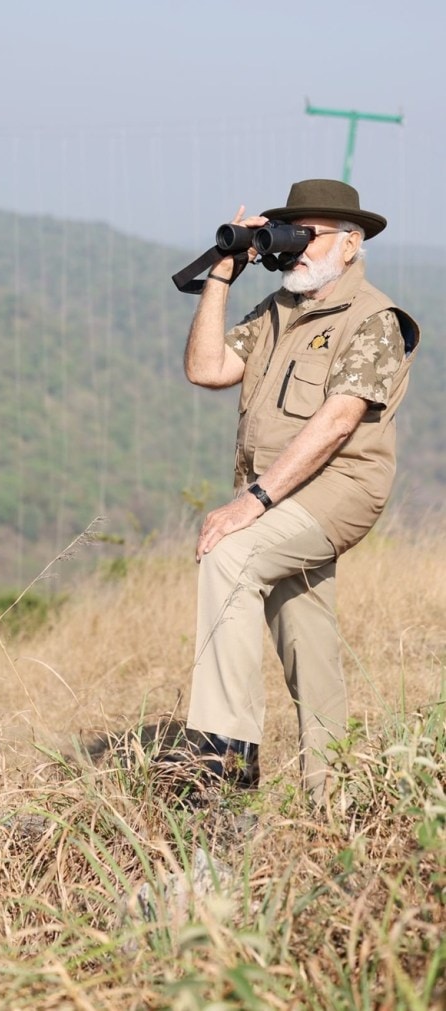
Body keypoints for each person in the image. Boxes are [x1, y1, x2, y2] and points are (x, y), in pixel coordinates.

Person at [182, 178, 420, 802]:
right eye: (293, 234)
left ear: (350, 244)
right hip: (280, 492)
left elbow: (339, 420)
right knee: (304, 631)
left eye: (311, 236)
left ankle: (223, 762)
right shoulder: (277, 311)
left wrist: (252, 503)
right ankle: (334, 798)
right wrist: (222, 275)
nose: (298, 249)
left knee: (229, 555)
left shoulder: (375, 320)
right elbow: (207, 369)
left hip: (338, 489)